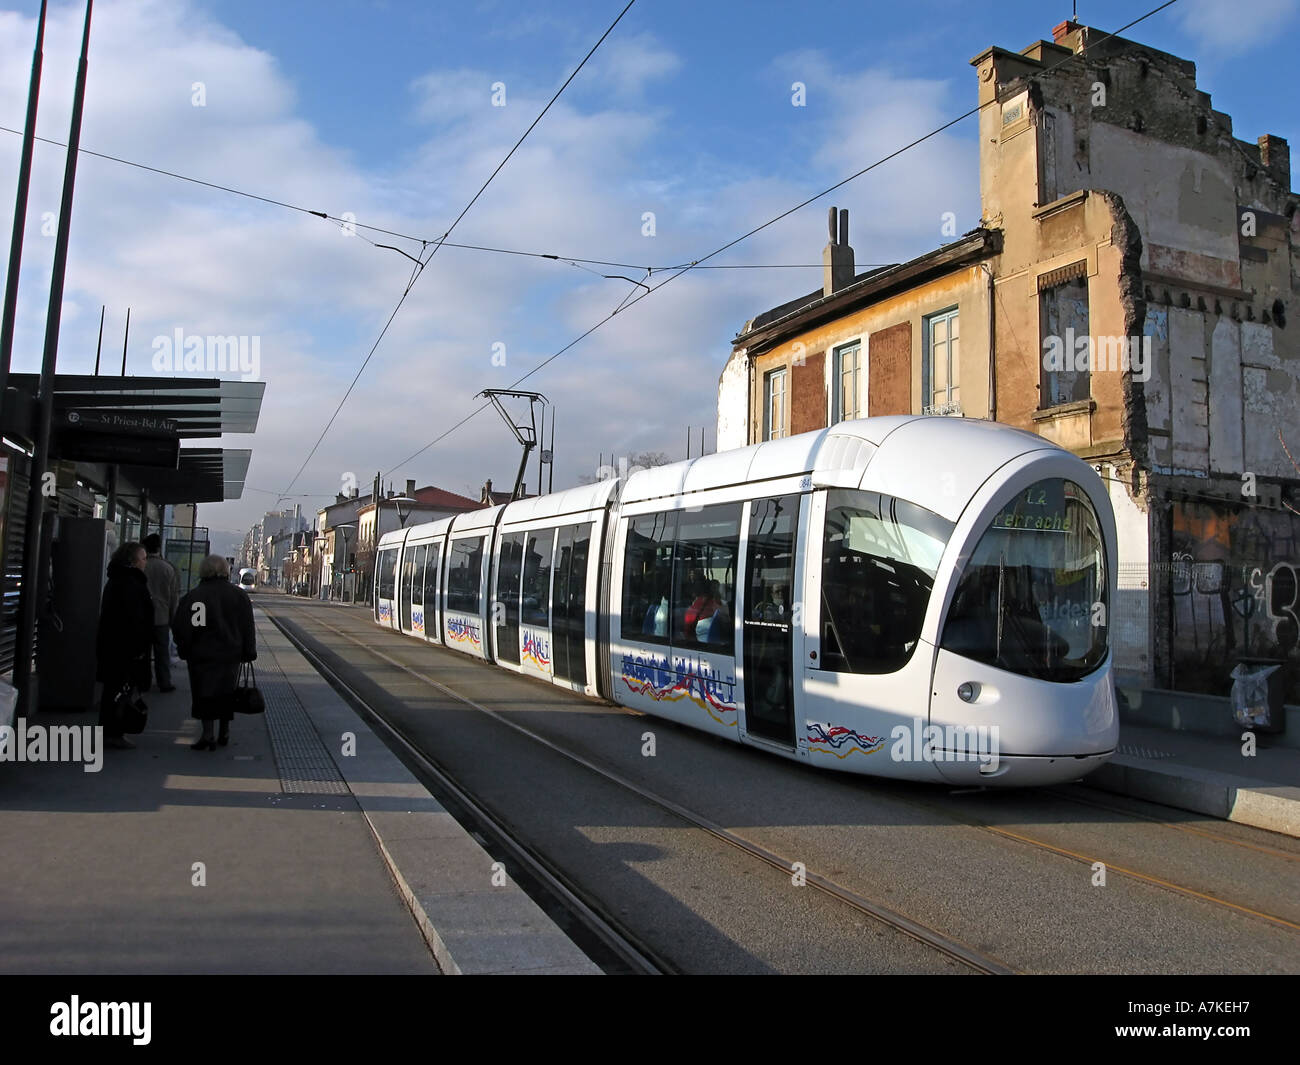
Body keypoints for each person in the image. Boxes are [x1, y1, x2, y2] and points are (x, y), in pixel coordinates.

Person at [173, 554, 257, 751]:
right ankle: (224, 731)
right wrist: (248, 652)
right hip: (230, 654)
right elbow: (247, 627)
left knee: (204, 694)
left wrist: (184, 649)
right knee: (227, 692)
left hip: (202, 655)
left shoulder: (197, 597)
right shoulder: (238, 596)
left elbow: (188, 627)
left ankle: (207, 734)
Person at [96, 542, 154, 750]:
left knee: (114, 689)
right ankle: (114, 733)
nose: (146, 562)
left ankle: (111, 731)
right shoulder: (130, 584)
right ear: (132, 561)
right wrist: (139, 649)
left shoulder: (117, 580)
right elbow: (134, 619)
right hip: (124, 649)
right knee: (120, 690)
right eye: (143, 558)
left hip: (114, 646)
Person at [142, 533, 179, 692]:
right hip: (162, 617)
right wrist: (173, 618)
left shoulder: (141, 566)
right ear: (159, 548)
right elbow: (173, 596)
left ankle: (143, 682)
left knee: (142, 652)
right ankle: (164, 682)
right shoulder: (168, 568)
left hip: (142, 618)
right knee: (162, 653)